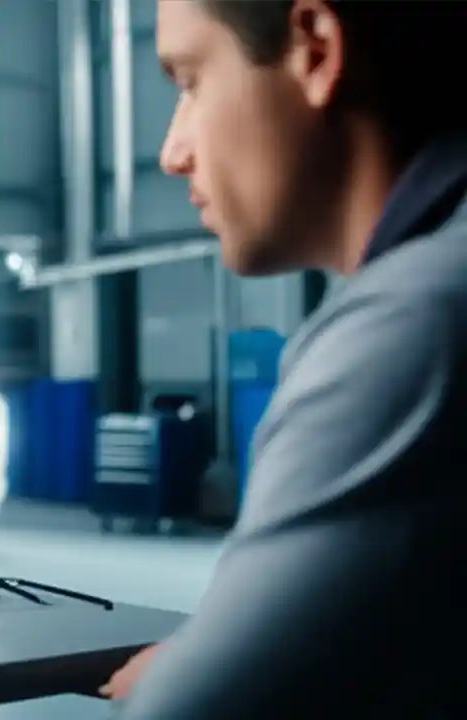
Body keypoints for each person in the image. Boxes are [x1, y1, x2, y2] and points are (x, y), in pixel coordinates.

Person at [99, 1, 467, 718]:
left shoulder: (415, 325)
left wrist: (190, 679)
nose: (173, 152)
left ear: (316, 51)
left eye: (191, 81)